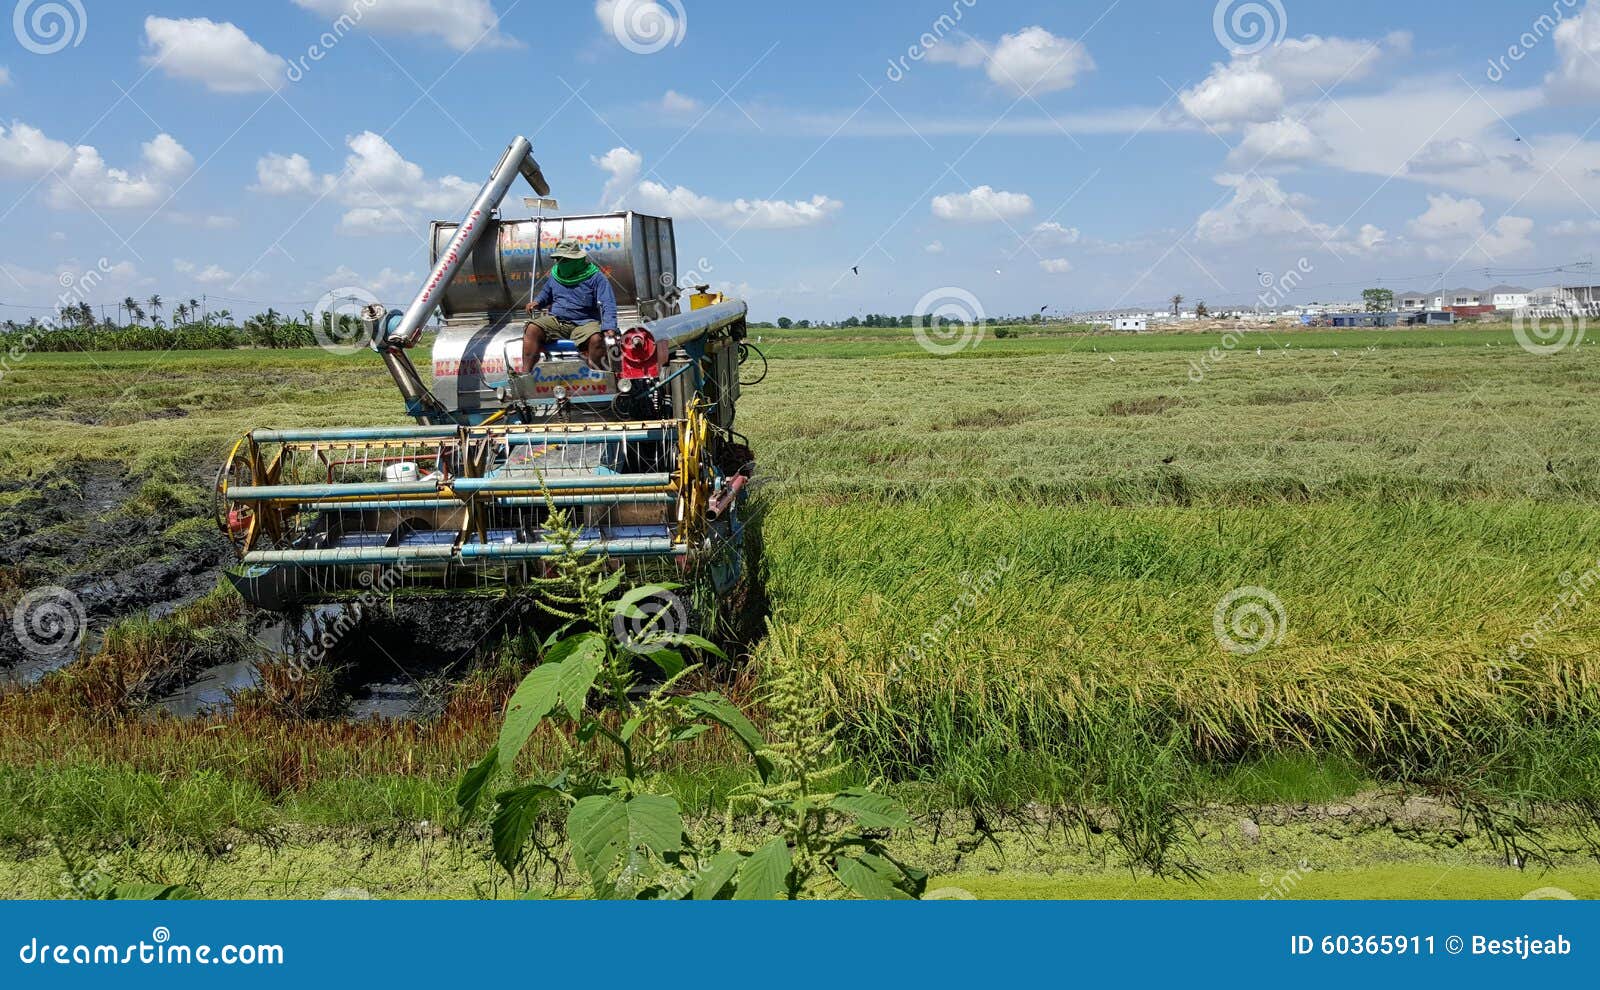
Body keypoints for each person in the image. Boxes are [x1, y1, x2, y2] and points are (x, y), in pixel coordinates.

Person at [521, 238, 617, 370]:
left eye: (565, 260)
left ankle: (596, 377)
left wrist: (609, 327)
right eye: (558, 259)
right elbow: (546, 293)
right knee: (532, 329)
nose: (561, 263)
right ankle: (526, 375)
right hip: (558, 321)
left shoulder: (596, 277)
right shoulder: (556, 274)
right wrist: (537, 302)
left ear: (577, 260)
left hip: (585, 322)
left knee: (596, 339)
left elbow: (608, 303)